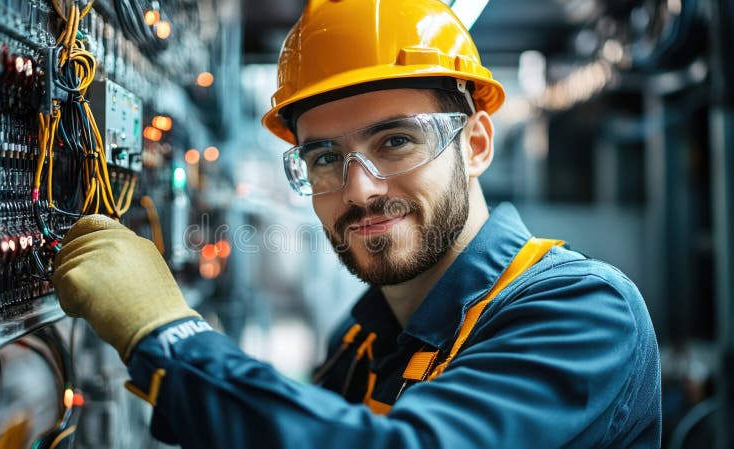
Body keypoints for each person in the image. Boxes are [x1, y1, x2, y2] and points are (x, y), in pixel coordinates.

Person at [52, 0, 662, 447]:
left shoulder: (582, 310)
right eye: (324, 158)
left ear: (475, 144)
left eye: (396, 141)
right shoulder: (365, 337)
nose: (360, 188)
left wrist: (166, 337)